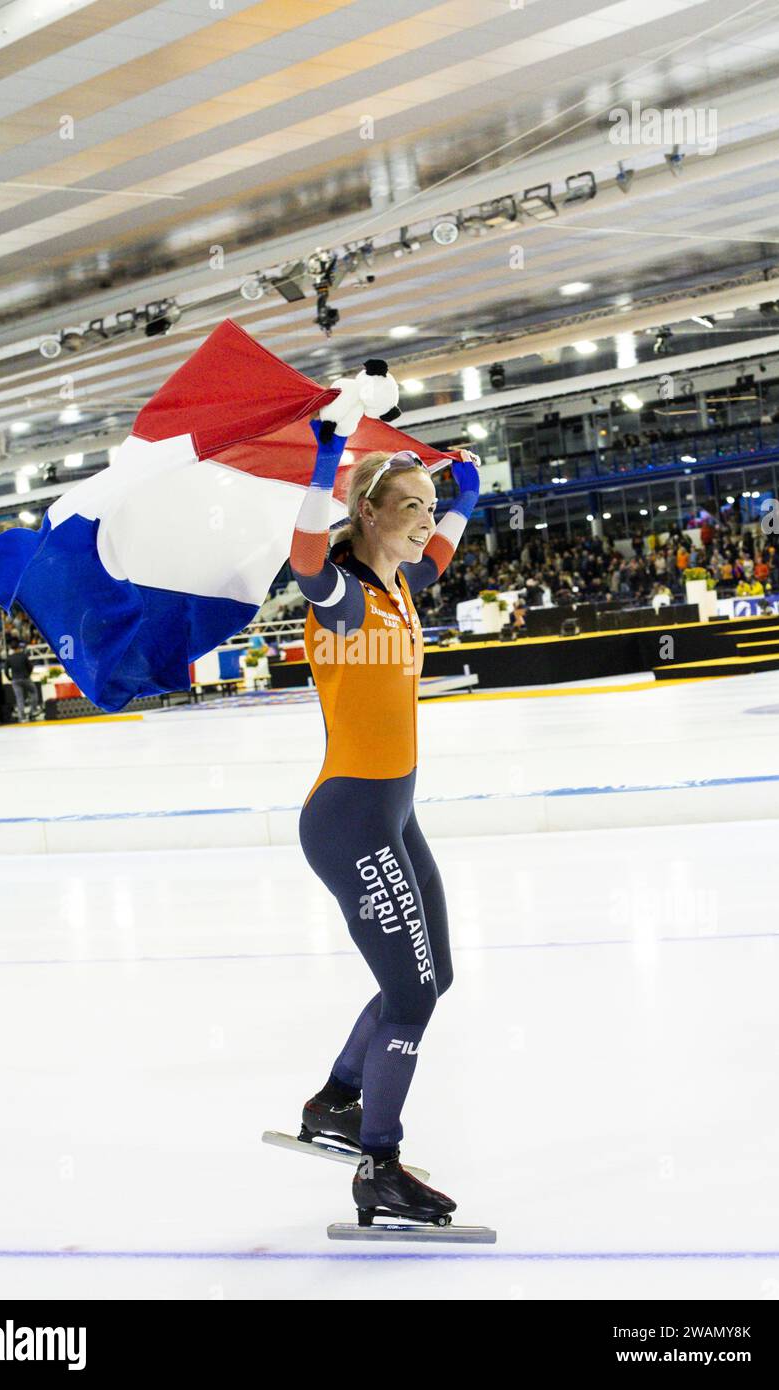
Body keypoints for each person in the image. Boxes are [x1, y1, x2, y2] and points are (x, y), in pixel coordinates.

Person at [288, 416, 479, 1227]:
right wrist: (323, 467)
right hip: (350, 820)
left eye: (431, 509)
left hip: (394, 812)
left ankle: (336, 1099)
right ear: (368, 512)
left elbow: (439, 556)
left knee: (432, 976)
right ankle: (379, 1165)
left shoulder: (401, 587)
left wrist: (468, 492)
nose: (426, 523)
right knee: (411, 993)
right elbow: (303, 561)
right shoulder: (340, 596)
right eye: (413, 508)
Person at [4, 642, 39, 721]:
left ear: (12, 649)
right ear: (19, 648)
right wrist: (28, 674)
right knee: (33, 692)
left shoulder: (9, 658)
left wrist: (10, 678)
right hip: (25, 678)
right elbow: (30, 666)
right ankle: (32, 712)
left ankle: (21, 716)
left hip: (15, 680)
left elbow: (6, 670)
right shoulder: (23, 656)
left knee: (19, 698)